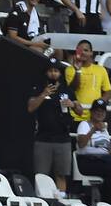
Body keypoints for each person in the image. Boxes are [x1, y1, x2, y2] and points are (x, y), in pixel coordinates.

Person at [29, 60, 77, 193]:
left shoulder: (67, 90)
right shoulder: (38, 88)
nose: (53, 74)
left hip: (63, 138)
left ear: (60, 73)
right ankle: (42, 201)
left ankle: (60, 201)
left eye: (56, 71)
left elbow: (79, 109)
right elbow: (30, 107)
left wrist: (72, 104)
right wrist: (44, 94)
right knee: (41, 176)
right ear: (46, 72)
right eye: (50, 71)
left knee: (61, 174)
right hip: (43, 138)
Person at [74, 100, 111, 205]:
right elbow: (81, 144)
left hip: (103, 160)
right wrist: (93, 130)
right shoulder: (84, 125)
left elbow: (108, 149)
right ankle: (107, 204)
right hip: (87, 160)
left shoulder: (104, 129)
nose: (100, 113)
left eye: (102, 111)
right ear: (91, 112)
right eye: (97, 111)